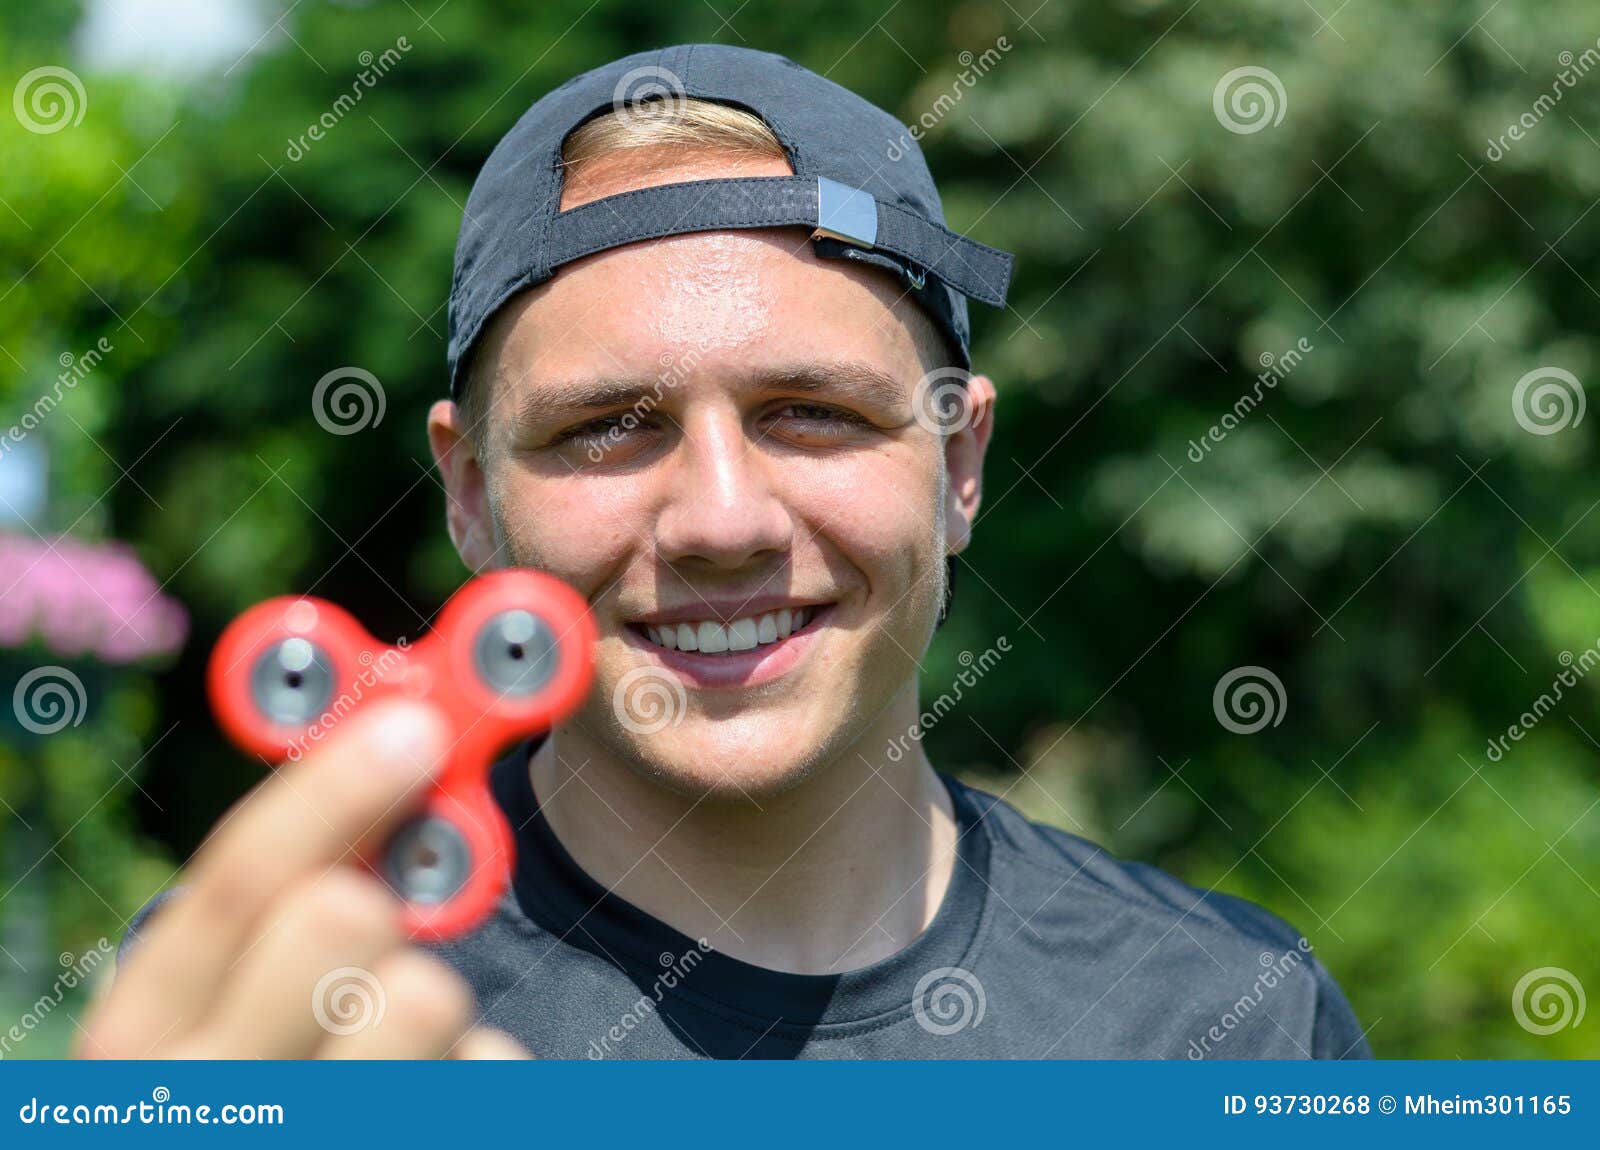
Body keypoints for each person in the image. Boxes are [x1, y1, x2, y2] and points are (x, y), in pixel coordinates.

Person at [90, 44, 1371, 1060]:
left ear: (959, 466)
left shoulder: (1230, 1022)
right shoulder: (272, 1011)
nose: (721, 520)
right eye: (609, 428)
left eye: (812, 413)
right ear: (469, 495)